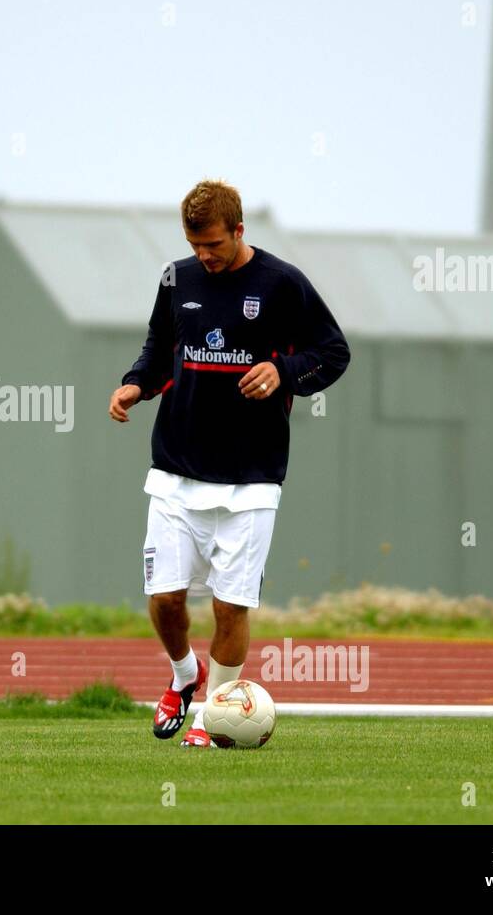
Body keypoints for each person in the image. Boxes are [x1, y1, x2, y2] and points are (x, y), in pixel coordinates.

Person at [108, 179, 351, 747]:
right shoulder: (177, 278)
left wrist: (284, 373)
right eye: (195, 245)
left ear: (239, 231)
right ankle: (182, 676)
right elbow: (159, 349)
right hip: (176, 469)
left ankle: (207, 720)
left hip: (252, 478)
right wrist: (134, 385)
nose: (204, 256)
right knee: (165, 599)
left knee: (229, 606)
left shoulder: (283, 284)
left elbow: (333, 352)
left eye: (213, 244)